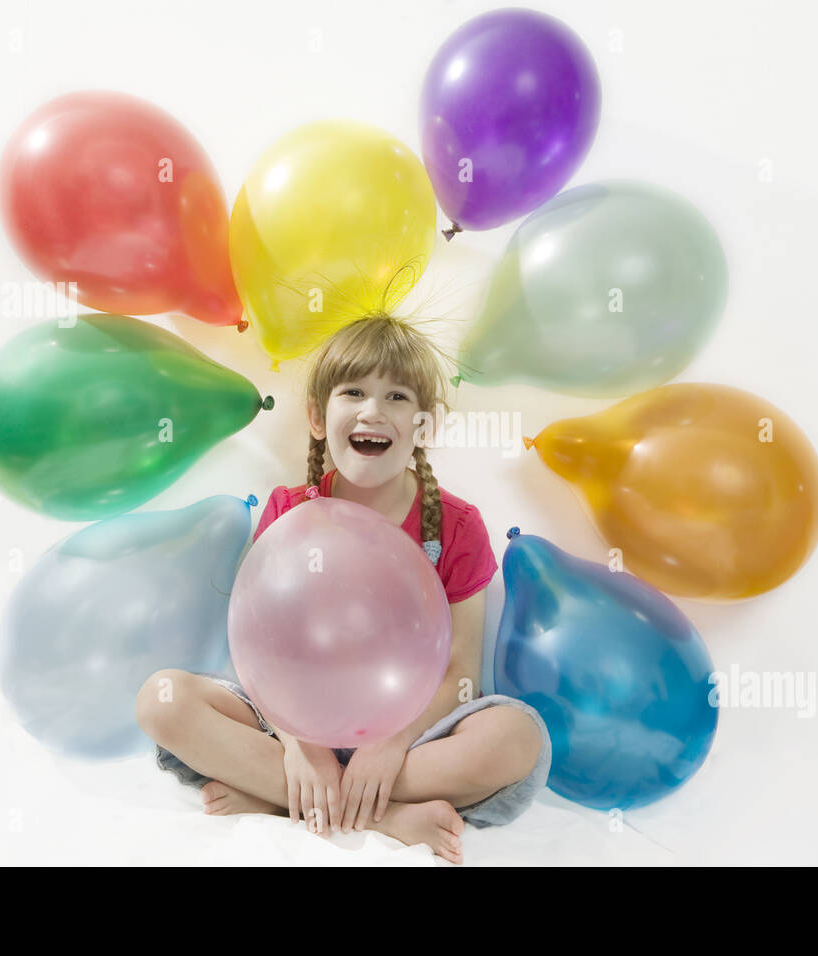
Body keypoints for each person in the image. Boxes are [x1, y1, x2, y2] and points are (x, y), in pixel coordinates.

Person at [136, 312, 551, 864]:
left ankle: (281, 801)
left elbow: (460, 672)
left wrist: (389, 744)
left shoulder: (455, 525)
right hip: (291, 722)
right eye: (353, 391)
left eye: (398, 397)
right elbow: (264, 654)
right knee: (161, 701)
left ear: (424, 426)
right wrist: (299, 746)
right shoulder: (289, 511)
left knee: (518, 739)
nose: (373, 411)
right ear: (316, 415)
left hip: (406, 733)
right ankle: (382, 815)